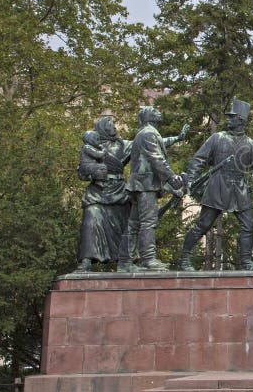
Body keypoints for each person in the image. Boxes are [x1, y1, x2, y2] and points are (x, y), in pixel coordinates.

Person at [178, 99, 253, 271]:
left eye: (232, 117)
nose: (229, 119)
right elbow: (199, 159)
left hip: (240, 188)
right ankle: (184, 258)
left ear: (240, 120)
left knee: (249, 223)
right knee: (204, 224)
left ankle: (245, 262)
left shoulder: (251, 145)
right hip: (218, 186)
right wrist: (190, 179)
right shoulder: (217, 138)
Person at [125, 107, 188, 271]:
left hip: (140, 184)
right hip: (145, 185)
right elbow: (156, 158)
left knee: (134, 224)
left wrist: (179, 137)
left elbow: (162, 143)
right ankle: (148, 259)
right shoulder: (148, 133)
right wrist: (171, 177)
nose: (158, 111)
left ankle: (126, 262)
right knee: (148, 222)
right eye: (154, 110)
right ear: (147, 116)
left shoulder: (147, 133)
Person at [75, 117, 133, 272]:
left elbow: (146, 143)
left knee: (127, 224)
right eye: (111, 125)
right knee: (91, 219)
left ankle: (126, 260)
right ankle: (86, 260)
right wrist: (92, 171)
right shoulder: (92, 145)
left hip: (119, 192)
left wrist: (176, 138)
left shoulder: (123, 145)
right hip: (97, 192)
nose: (115, 127)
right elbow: (82, 172)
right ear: (103, 128)